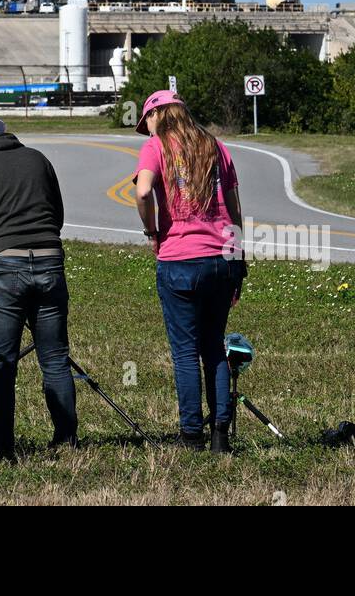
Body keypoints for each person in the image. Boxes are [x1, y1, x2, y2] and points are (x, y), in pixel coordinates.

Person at [132, 89, 248, 454]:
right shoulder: (215, 146)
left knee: (184, 352)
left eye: (147, 121)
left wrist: (152, 231)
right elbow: (234, 206)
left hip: (179, 258)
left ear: (158, 115)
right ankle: (221, 435)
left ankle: (191, 435)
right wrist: (239, 255)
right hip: (221, 258)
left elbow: (143, 191)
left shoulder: (157, 146)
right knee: (213, 347)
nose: (147, 129)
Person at [0, 118, 77, 460]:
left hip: (6, 266)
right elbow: (58, 213)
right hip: (50, 260)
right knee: (54, 358)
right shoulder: (38, 158)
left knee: (2, 361)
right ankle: (66, 439)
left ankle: (1, 447)